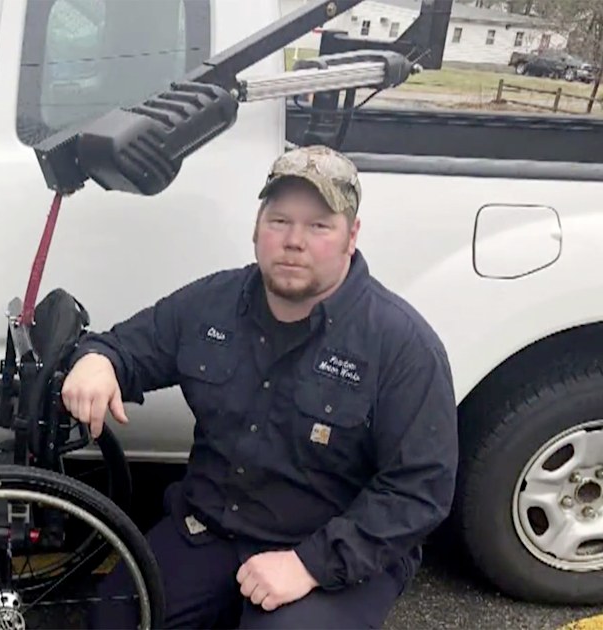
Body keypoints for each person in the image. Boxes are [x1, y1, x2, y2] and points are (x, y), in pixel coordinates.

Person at [61, 145, 458, 629]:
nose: (294, 241)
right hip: (208, 531)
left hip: (330, 552)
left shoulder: (401, 345)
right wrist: (97, 362)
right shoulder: (214, 303)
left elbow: (420, 491)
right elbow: (127, 346)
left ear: (351, 237)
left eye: (319, 226)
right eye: (280, 221)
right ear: (257, 227)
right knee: (113, 622)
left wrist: (310, 564)